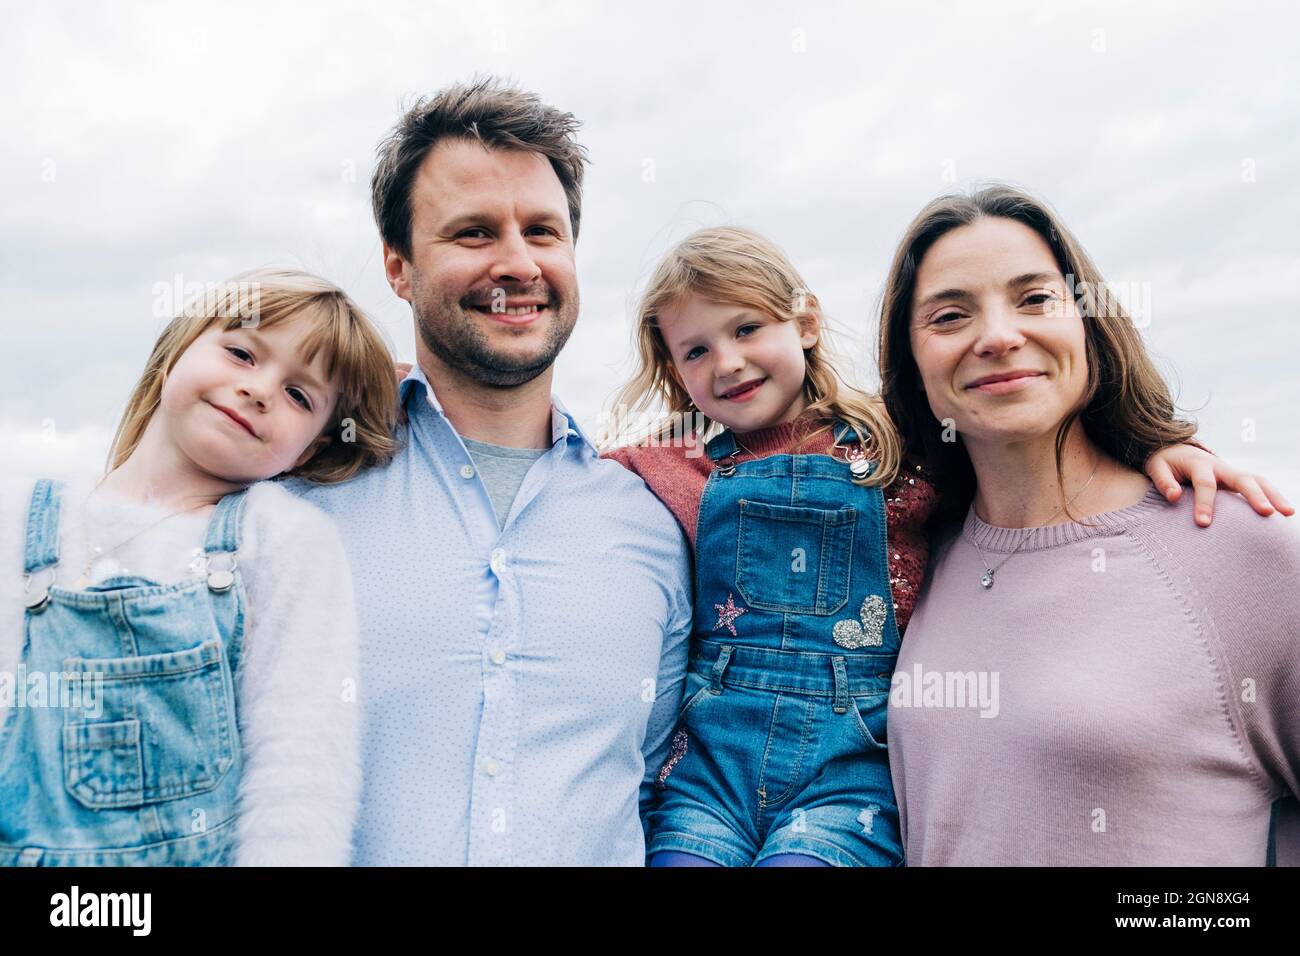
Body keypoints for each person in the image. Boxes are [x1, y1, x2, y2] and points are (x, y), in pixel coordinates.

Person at [600, 226, 1273, 866]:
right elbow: (570, 471)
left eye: (747, 329)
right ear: (674, 370)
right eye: (697, 351)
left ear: (805, 323)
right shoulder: (673, 466)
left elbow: (1013, 455)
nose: (730, 361)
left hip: (847, 767)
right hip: (711, 761)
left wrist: (1161, 444)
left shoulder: (894, 446)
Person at [280, 78, 693, 866]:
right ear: (398, 268)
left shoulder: (653, 526)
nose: (517, 263)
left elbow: (653, 786)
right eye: (472, 233)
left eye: (543, 231)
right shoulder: (295, 491)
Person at [877, 184, 1299, 865]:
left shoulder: (1240, 548)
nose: (999, 336)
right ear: (912, 363)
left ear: (1088, 325)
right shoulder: (910, 562)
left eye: (1035, 298)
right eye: (950, 316)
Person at [0, 269, 399, 865]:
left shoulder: (279, 542)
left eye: (299, 396)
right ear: (175, 353)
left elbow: (301, 770)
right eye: (241, 352)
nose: (260, 389)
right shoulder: (21, 514)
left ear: (311, 447)